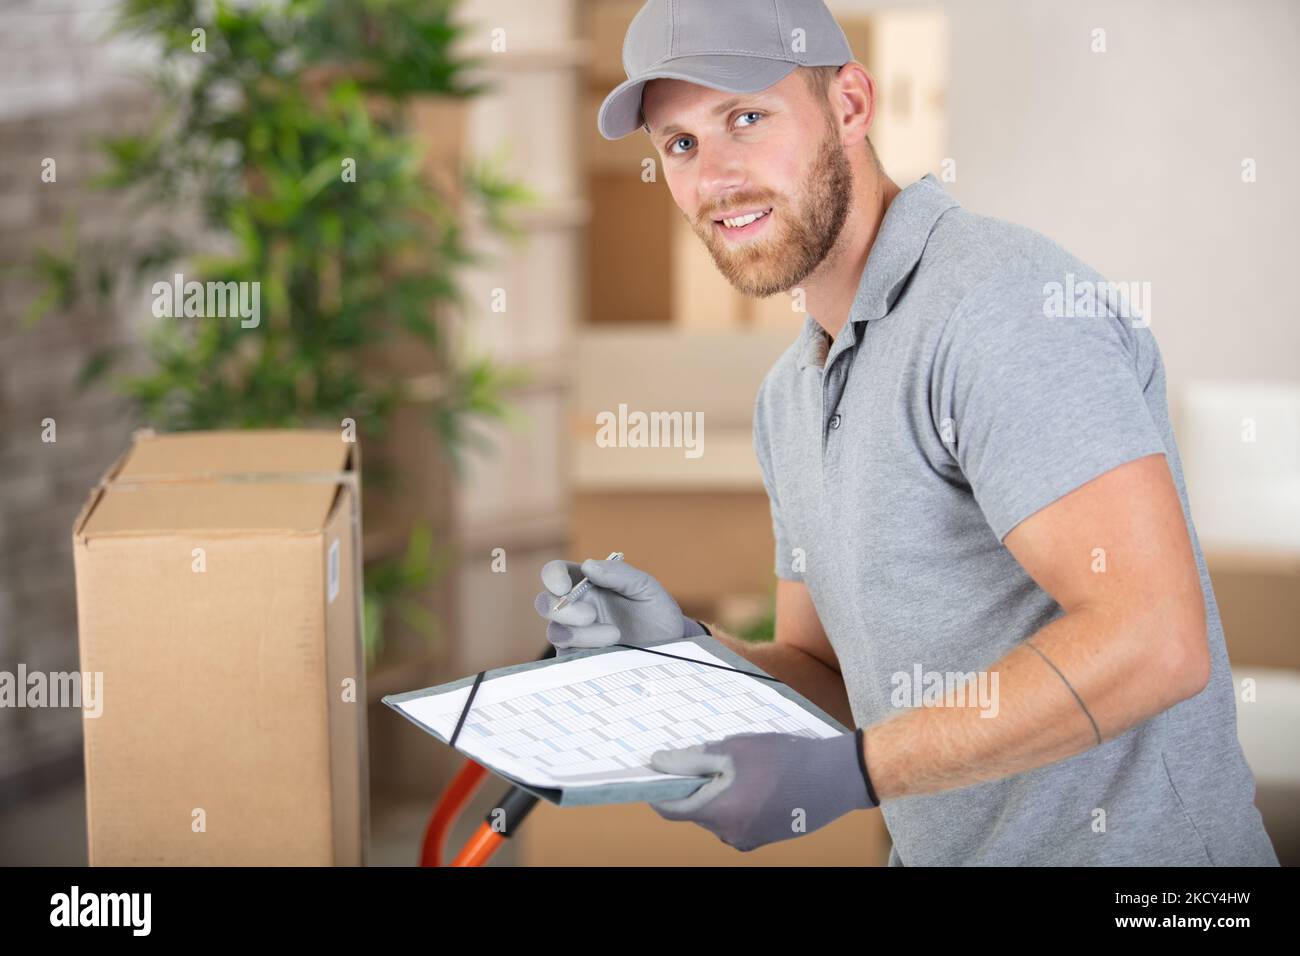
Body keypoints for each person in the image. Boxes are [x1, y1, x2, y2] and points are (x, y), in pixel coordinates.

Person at [535, 0, 1278, 865]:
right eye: (680, 143)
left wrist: (850, 774)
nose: (716, 178)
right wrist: (688, 655)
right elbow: (831, 678)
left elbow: (1155, 640)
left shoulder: (1000, 307)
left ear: (850, 104)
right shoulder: (792, 395)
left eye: (746, 118)